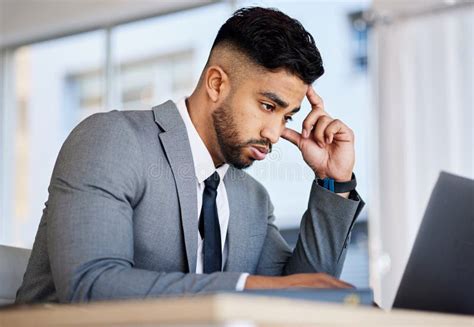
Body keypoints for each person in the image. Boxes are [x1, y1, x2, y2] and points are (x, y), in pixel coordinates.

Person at [16, 6, 364, 304]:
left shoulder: (252, 198)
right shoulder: (112, 140)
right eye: (267, 105)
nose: (274, 133)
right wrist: (244, 288)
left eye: (286, 117)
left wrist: (333, 180)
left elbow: (304, 295)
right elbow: (90, 285)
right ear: (216, 84)